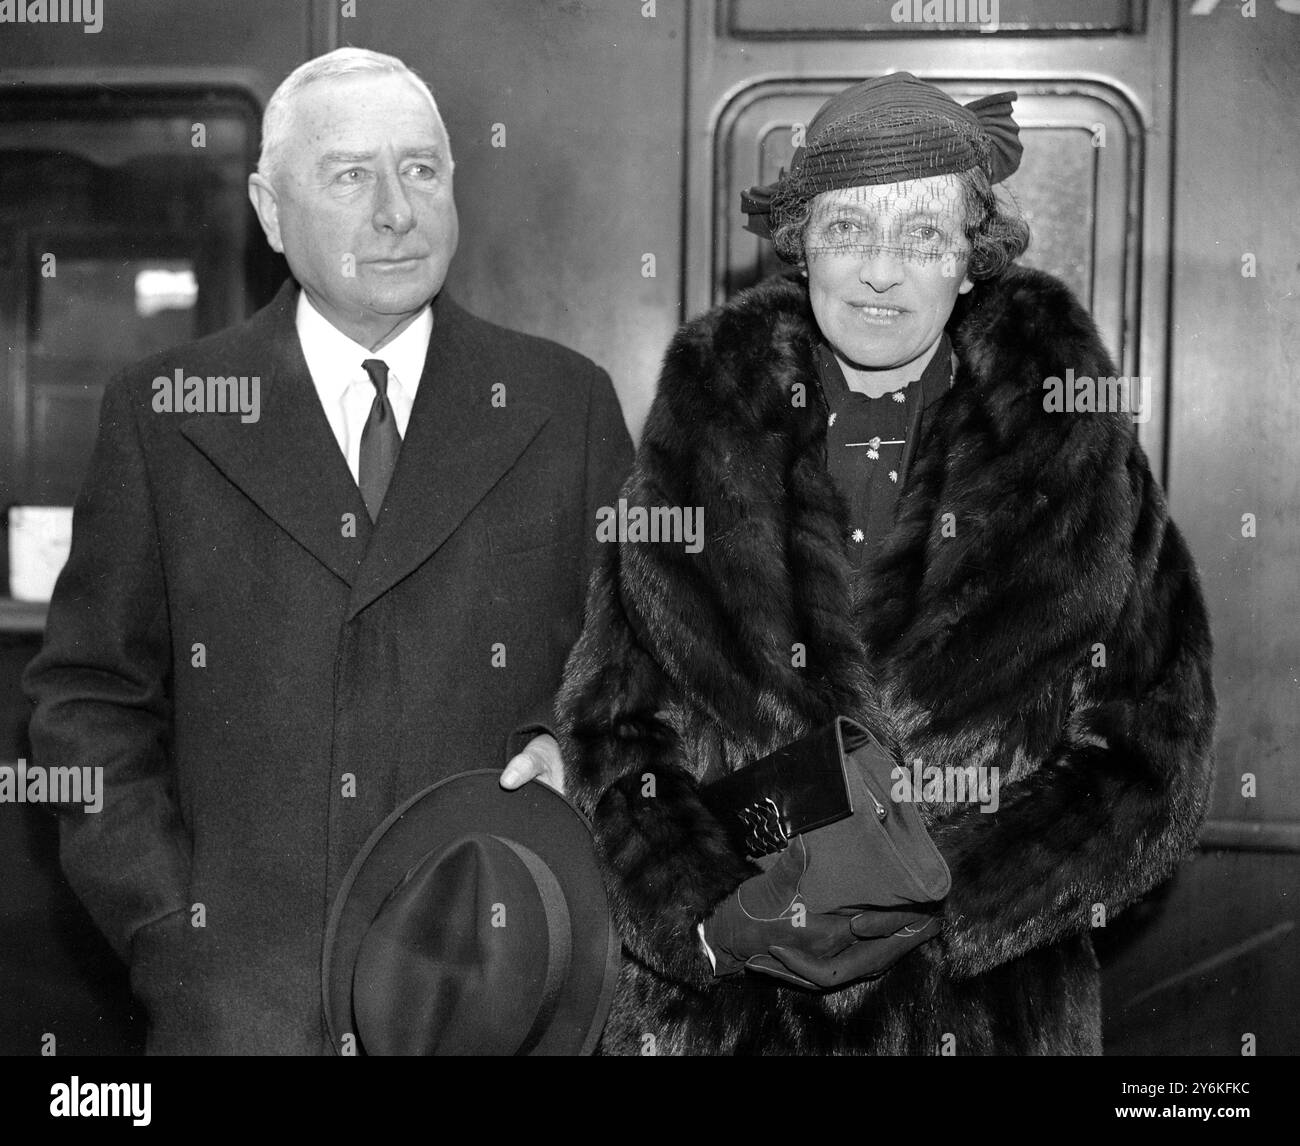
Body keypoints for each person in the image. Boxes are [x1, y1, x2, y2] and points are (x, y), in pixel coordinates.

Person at [556, 72, 1216, 1055]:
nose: (878, 271)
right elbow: (615, 734)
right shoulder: (699, 433)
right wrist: (708, 918)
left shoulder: (1075, 452)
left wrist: (934, 906)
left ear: (971, 257)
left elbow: (1151, 756)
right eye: (847, 229)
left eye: (921, 234)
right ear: (801, 243)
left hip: (981, 1020)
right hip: (728, 1023)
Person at [24, 47, 630, 1055]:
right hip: (241, 1013)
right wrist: (175, 931)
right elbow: (87, 706)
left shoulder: (564, 406)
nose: (396, 211)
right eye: (350, 175)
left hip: (500, 1003)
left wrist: (579, 752)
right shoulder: (166, 413)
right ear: (269, 209)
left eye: (422, 170)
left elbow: (642, 675)